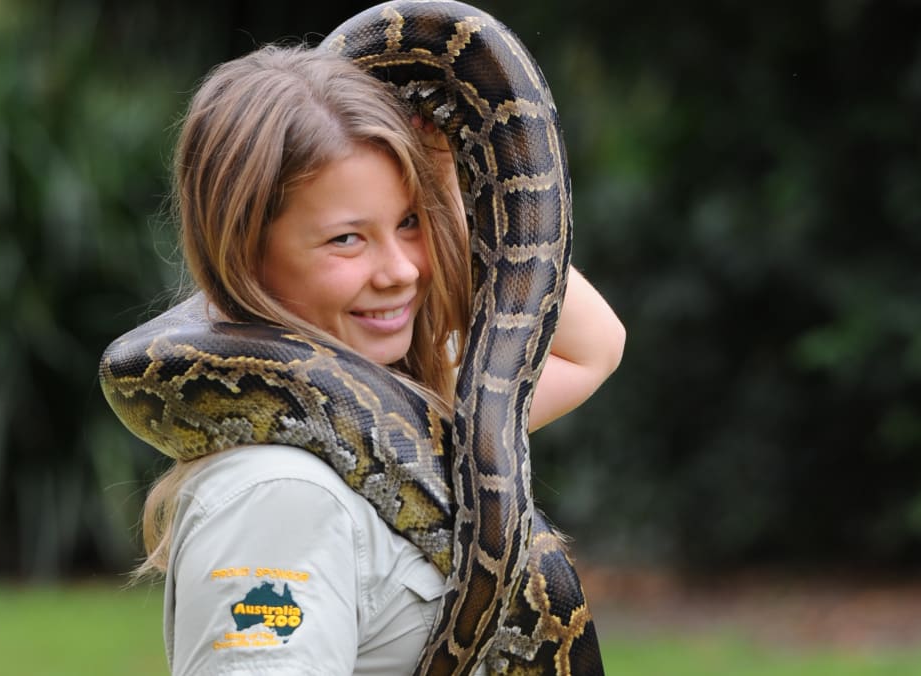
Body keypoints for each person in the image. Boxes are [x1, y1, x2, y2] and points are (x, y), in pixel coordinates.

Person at [137, 45, 625, 675]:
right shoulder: (278, 499)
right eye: (347, 238)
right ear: (247, 253)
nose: (401, 271)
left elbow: (591, 347)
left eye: (410, 222)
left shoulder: (400, 405)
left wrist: (448, 188)